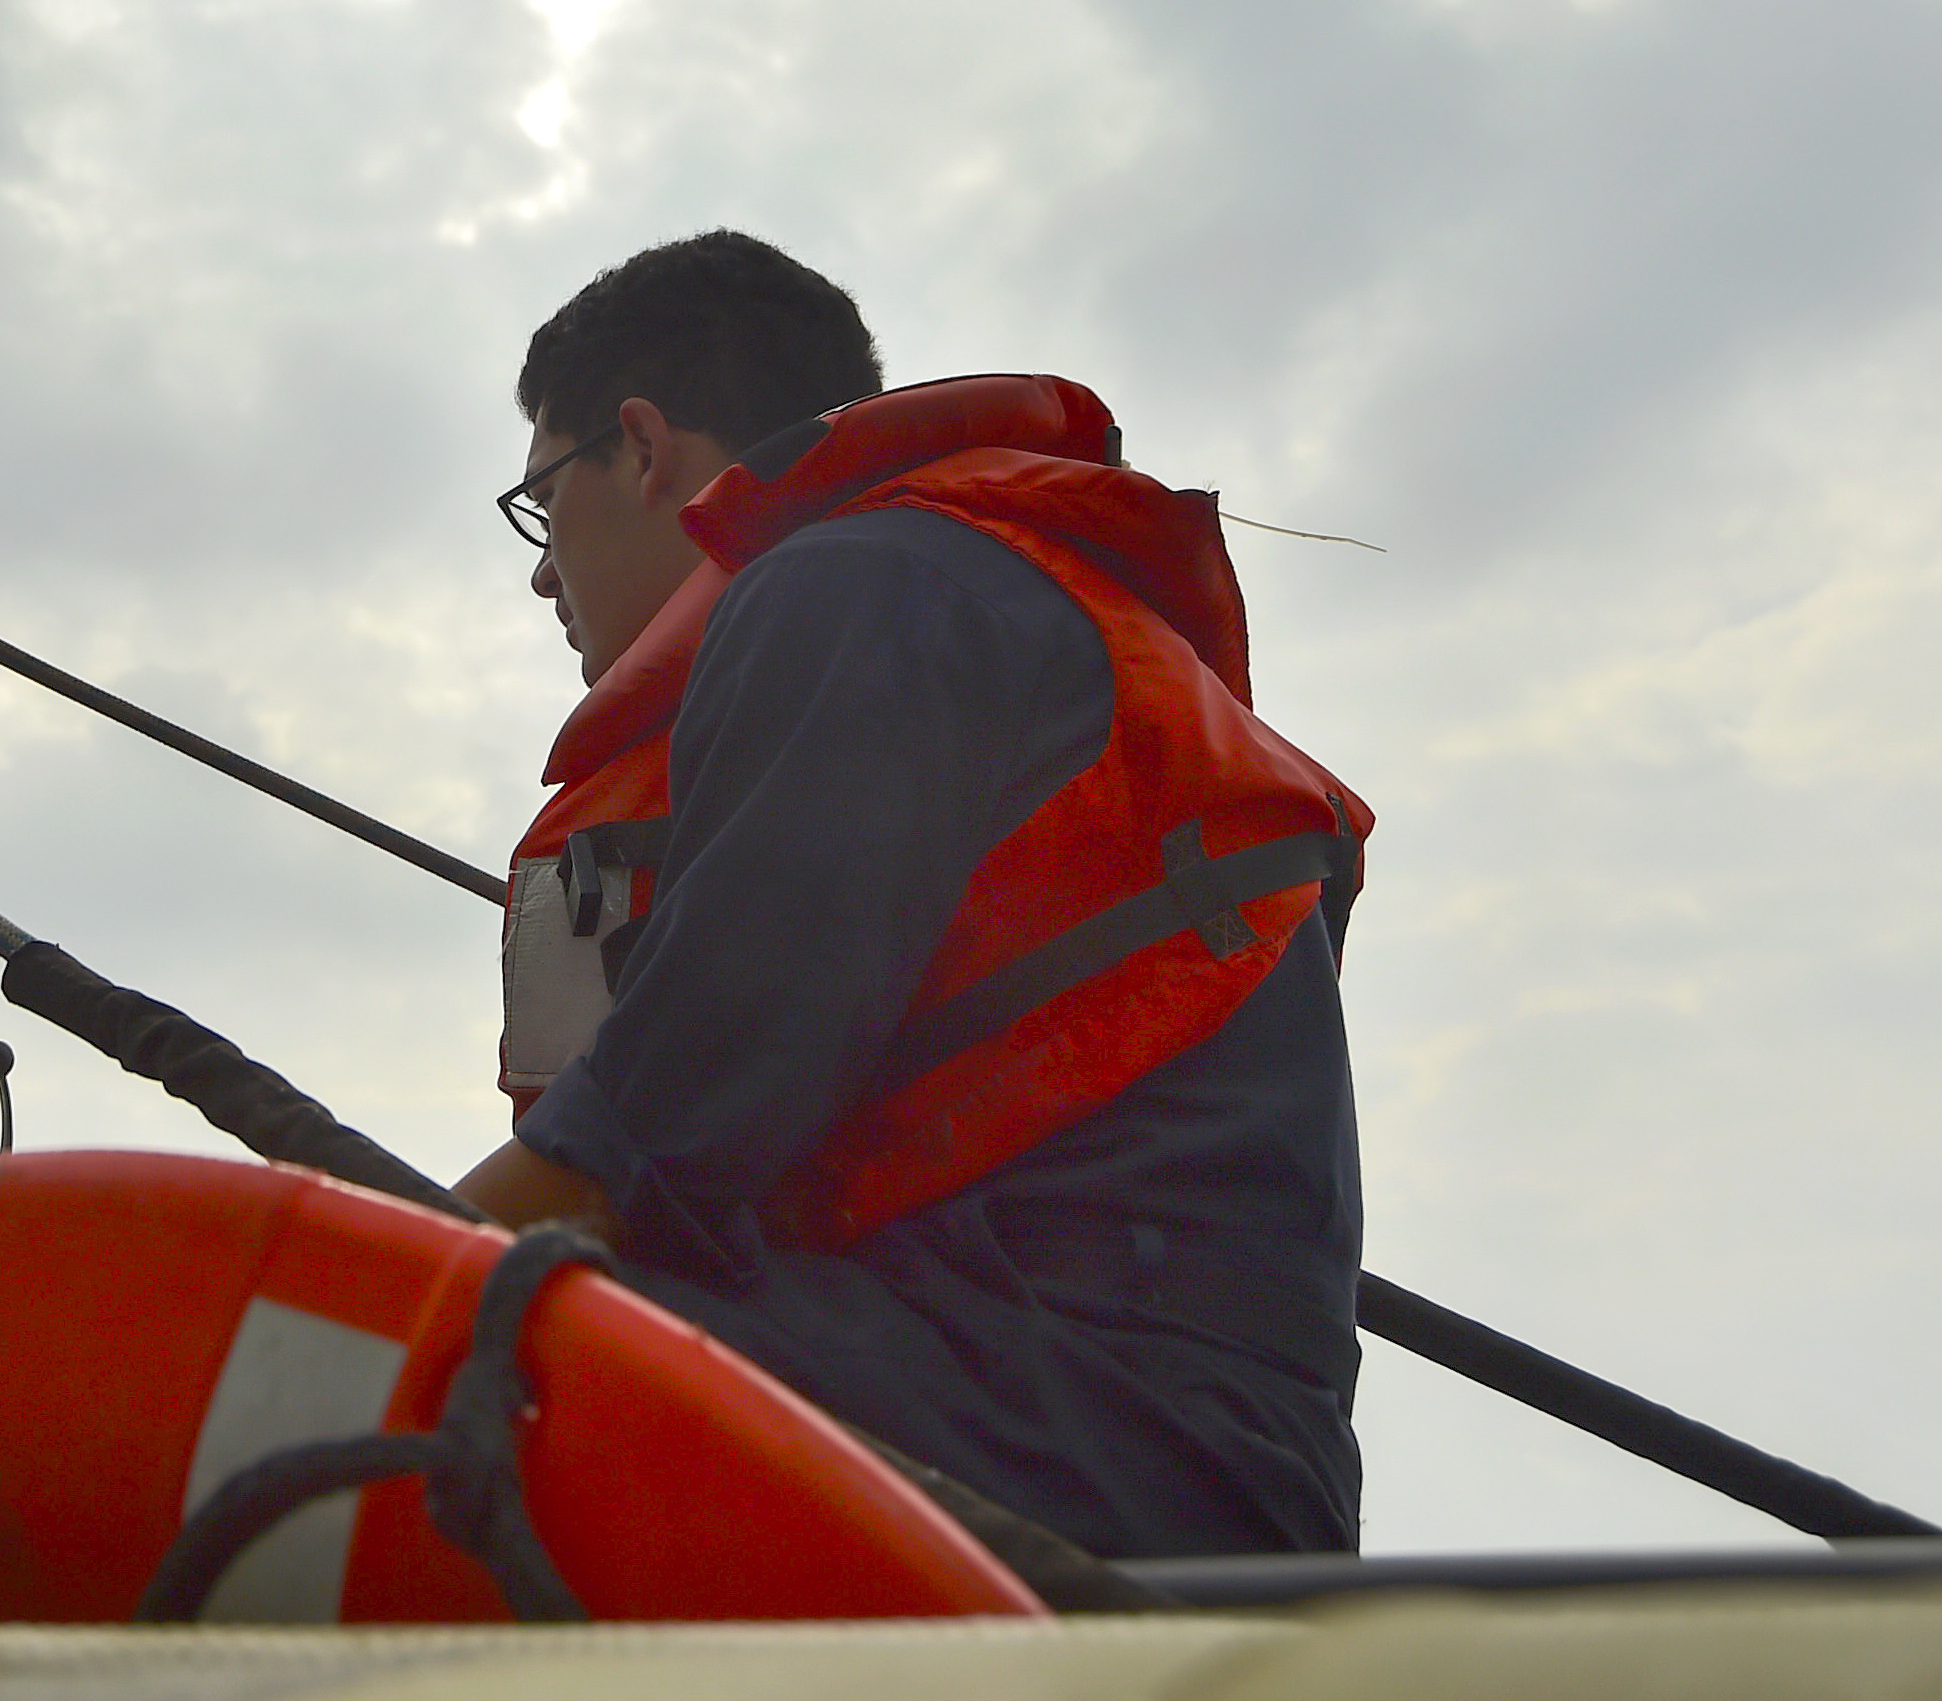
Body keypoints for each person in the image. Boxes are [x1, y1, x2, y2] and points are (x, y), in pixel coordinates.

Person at [452, 231, 1369, 1559]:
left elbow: (671, 1119)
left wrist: (345, 1275)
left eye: (543, 500)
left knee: (405, 1402)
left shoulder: (859, 588)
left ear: (640, 448)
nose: (541, 570)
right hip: (1119, 1419)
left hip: (1073, 1425)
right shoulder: (958, 586)